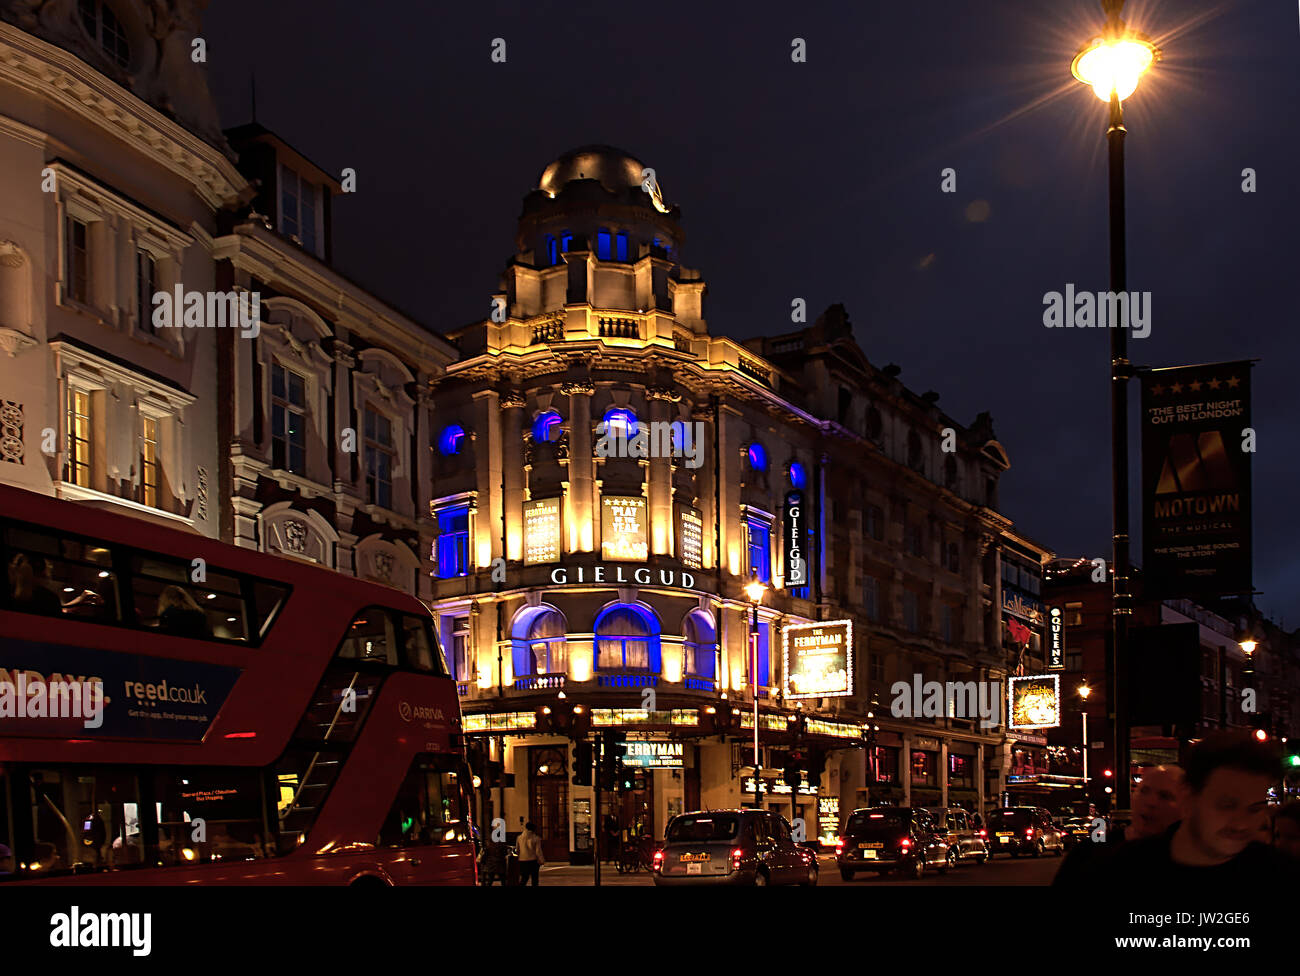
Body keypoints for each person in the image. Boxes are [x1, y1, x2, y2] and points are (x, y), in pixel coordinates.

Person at [1084, 732, 1297, 887]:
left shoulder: (1278, 873)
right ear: (1189, 796)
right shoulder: (1120, 869)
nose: (1241, 823)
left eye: (1254, 809)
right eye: (1226, 806)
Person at [1054, 764, 1185, 886]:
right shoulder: (1089, 852)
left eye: (1165, 796)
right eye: (1144, 791)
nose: (1151, 802)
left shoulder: (1189, 857)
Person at [517, 821, 544, 885]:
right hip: (533, 861)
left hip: (522, 860)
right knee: (534, 879)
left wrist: (517, 858)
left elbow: (517, 850)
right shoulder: (536, 838)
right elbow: (538, 851)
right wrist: (541, 860)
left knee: (524, 878)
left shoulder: (519, 837)